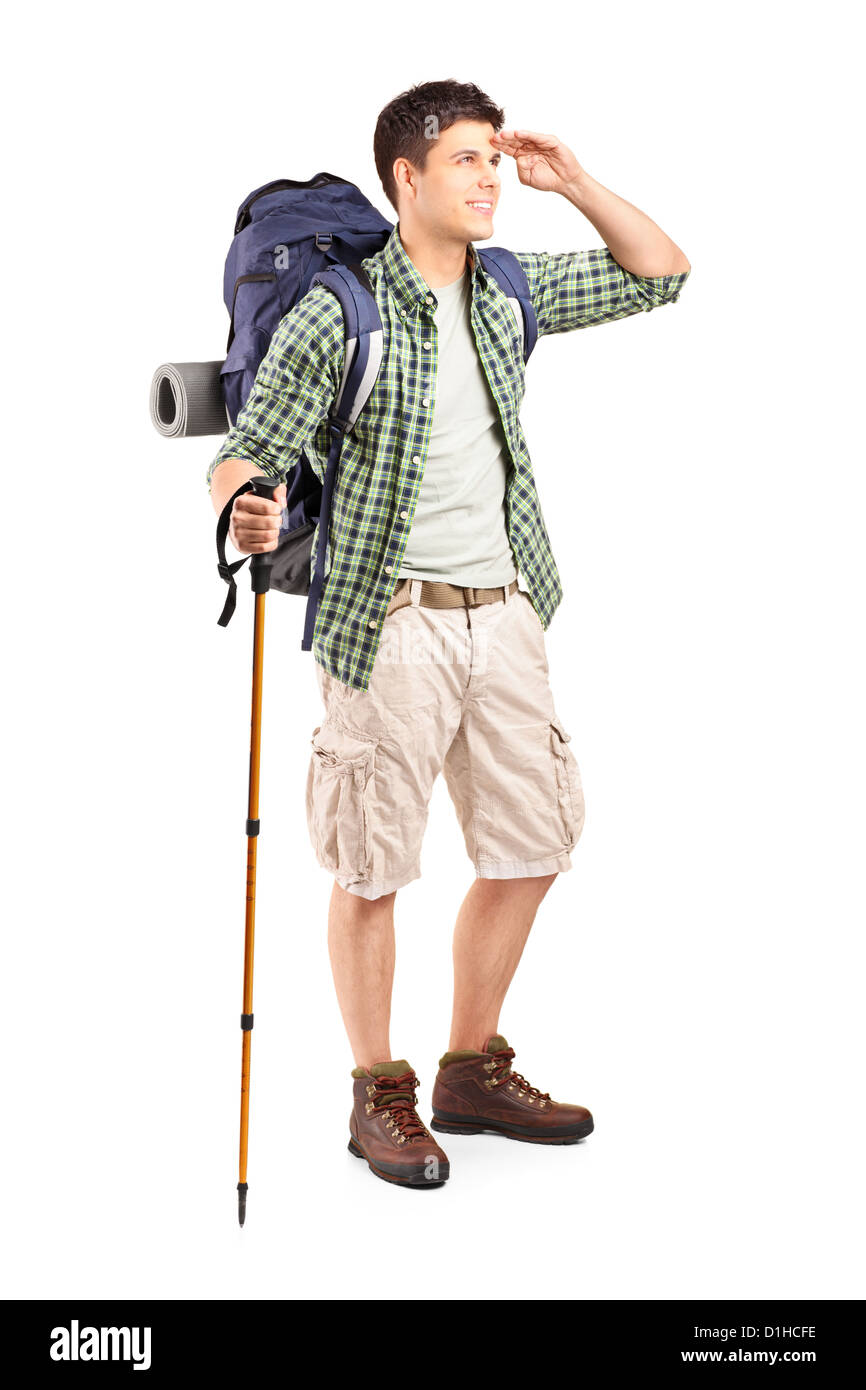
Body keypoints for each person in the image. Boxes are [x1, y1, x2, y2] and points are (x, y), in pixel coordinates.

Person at [207, 79, 691, 1189]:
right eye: (463, 160)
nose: (486, 177)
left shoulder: (503, 288)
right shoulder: (343, 308)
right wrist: (246, 501)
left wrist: (570, 182)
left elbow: (660, 276)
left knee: (531, 847)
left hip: (509, 609)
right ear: (404, 181)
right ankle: (378, 1090)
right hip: (389, 621)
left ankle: (467, 1068)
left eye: (491, 157)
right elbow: (248, 445)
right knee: (372, 865)